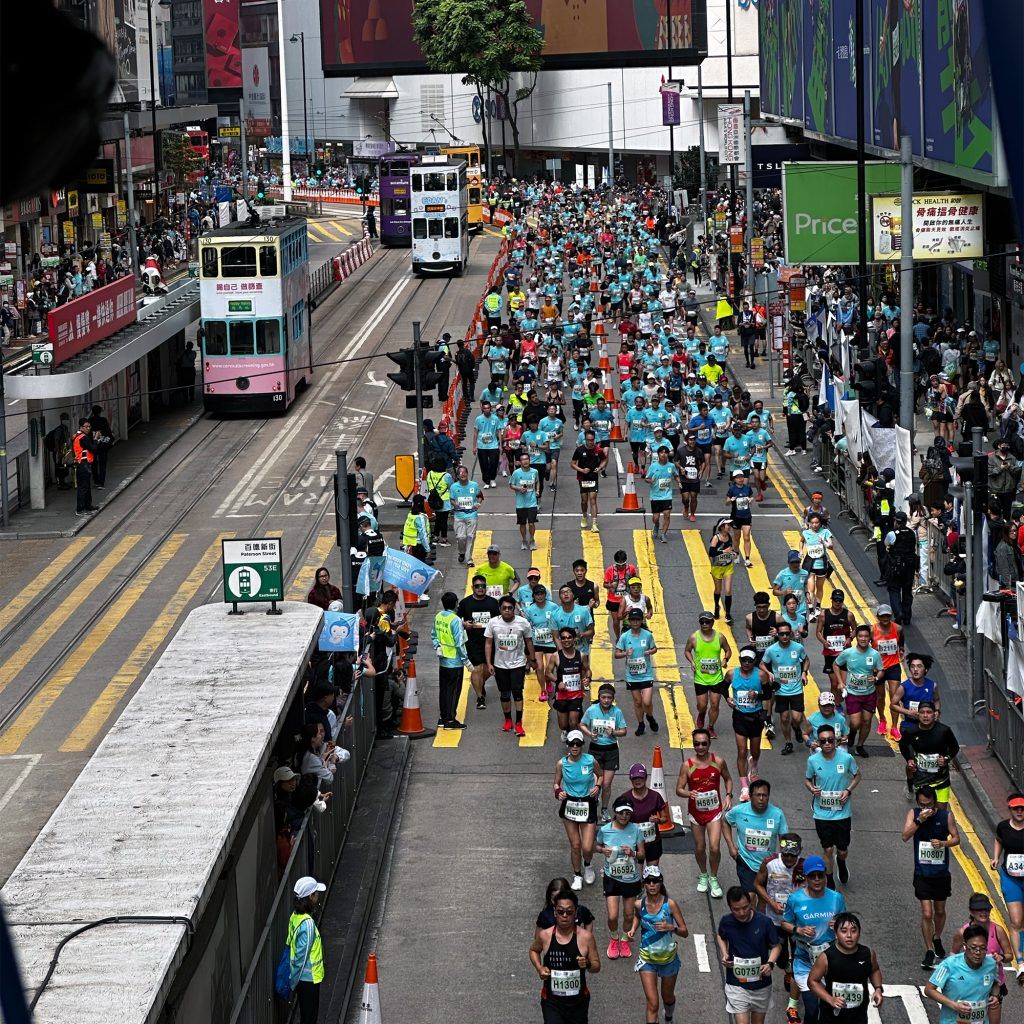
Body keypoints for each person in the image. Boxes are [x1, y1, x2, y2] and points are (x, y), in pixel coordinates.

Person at [780, 855, 847, 1024]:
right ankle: (794, 1006)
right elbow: (784, 923)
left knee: (830, 1007)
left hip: (829, 960)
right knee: (812, 1008)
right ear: (806, 878)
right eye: (812, 876)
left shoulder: (836, 898)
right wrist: (798, 929)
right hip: (805, 959)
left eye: (820, 875)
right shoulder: (795, 899)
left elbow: (846, 923)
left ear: (825, 875)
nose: (817, 880)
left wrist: (839, 924)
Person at [902, 786, 961, 970]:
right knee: (927, 913)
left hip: (941, 873)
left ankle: (937, 937)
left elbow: (956, 838)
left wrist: (943, 843)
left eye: (928, 805)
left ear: (934, 802)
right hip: (922, 873)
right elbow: (905, 836)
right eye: (921, 804)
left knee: (940, 911)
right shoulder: (914, 814)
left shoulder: (945, 816)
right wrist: (919, 820)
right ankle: (929, 950)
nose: (925, 808)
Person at [530, 887, 601, 1024]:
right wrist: (539, 968)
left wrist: (587, 964)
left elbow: (596, 966)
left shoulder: (586, 937)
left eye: (569, 912)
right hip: (552, 1002)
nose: (564, 915)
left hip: (578, 1002)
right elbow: (533, 950)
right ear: (555, 912)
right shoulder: (545, 935)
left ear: (575, 913)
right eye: (560, 911)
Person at [676, 726, 734, 897]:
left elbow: (728, 779)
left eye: (704, 743)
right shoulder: (687, 765)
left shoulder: (719, 762)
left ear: (709, 744)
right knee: (700, 847)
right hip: (696, 813)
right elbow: (679, 789)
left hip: (714, 811)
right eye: (697, 744)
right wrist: (689, 793)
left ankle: (713, 877)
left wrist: (728, 795)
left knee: (714, 847)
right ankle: (703, 875)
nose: (700, 747)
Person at [627, 866, 689, 1024]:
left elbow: (684, 931)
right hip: (647, 959)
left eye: (655, 881)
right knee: (653, 1004)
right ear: (644, 884)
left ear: (661, 882)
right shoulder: (638, 904)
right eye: (648, 881)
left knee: (667, 998)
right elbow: (637, 916)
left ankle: (669, 1017)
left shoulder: (670, 905)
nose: (652, 884)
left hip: (668, 960)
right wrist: (633, 929)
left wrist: (671, 928)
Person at [754, 833, 806, 1021]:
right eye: (786, 855)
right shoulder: (769, 863)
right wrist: (771, 903)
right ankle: (787, 969)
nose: (789, 859)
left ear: (799, 852)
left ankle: (792, 1004)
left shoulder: (805, 866)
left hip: (798, 923)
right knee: (781, 959)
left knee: (800, 960)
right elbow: (757, 884)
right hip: (775, 920)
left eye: (793, 855)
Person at [717, 886, 783, 1024]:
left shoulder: (764, 922)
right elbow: (720, 936)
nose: (741, 913)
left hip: (761, 985)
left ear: (750, 903)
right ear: (730, 907)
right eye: (736, 909)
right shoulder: (726, 922)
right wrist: (724, 953)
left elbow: (776, 946)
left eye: (745, 907)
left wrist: (770, 963)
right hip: (736, 983)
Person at [804, 725, 860, 888]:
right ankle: (829, 880)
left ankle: (841, 862)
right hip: (821, 813)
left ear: (836, 741)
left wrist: (848, 790)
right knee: (827, 849)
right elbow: (807, 779)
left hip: (842, 813)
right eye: (823, 741)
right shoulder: (813, 760)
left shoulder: (846, 758)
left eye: (830, 740)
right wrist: (812, 789)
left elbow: (857, 776)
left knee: (842, 850)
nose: (827, 743)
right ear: (818, 742)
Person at [807, 912, 884, 1022]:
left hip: (859, 1017)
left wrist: (878, 989)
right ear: (836, 934)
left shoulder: (868, 954)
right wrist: (830, 999)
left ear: (859, 933)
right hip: (831, 1018)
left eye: (853, 931)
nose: (849, 935)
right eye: (844, 931)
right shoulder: (826, 957)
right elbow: (812, 981)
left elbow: (874, 970)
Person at [595, 801, 645, 960]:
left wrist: (633, 853)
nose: (624, 816)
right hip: (611, 878)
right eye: (621, 812)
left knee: (629, 915)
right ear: (615, 812)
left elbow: (642, 854)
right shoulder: (605, 830)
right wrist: (603, 850)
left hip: (631, 878)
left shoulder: (636, 830)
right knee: (612, 916)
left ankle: (624, 940)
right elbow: (597, 846)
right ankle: (613, 938)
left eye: (628, 813)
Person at [724, 778, 790, 896]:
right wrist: (731, 846)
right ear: (750, 796)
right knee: (751, 896)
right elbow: (725, 821)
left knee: (764, 899)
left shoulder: (777, 814)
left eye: (764, 795)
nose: (761, 799)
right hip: (746, 862)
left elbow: (784, 838)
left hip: (769, 865)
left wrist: (782, 859)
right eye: (758, 795)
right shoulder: (739, 811)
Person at [924, 923, 1001, 1024]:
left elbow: (995, 982)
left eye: (982, 948)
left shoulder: (991, 964)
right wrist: (954, 1005)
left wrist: (995, 996)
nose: (978, 952)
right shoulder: (949, 965)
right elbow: (929, 990)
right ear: (965, 946)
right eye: (973, 947)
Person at [554, 731, 601, 891]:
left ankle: (588, 865)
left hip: (587, 804)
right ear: (567, 745)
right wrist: (558, 792)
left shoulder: (590, 760)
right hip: (570, 805)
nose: (575, 747)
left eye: (578, 744)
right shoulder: (561, 764)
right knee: (575, 845)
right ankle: (577, 875)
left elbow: (600, 775)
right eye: (572, 744)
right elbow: (556, 783)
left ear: (582, 745)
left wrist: (597, 786)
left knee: (587, 847)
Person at [485, 595, 536, 736]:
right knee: (505, 694)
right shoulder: (493, 623)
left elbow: (529, 641)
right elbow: (488, 643)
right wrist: (489, 663)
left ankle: (518, 723)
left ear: (514, 609)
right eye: (504, 608)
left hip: (518, 664)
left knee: (517, 693)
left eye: (510, 608)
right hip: (500, 665)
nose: (507, 611)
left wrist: (532, 660)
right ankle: (508, 720)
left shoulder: (523, 623)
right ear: (500, 609)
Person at [951, 893, 1017, 1001]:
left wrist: (1001, 957)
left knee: (994, 1011)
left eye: (986, 909)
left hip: (993, 982)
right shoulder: (962, 932)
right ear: (971, 911)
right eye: (979, 910)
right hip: (969, 982)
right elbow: (953, 954)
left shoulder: (998, 930)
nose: (984, 913)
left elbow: (1009, 955)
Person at [835, 625, 886, 758]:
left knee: (867, 721)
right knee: (855, 722)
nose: (863, 639)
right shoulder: (848, 653)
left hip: (869, 693)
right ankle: (852, 733)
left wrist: (876, 678)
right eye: (860, 636)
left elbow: (881, 670)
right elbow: (836, 664)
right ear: (856, 637)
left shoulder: (874, 654)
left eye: (866, 636)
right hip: (853, 693)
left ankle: (860, 746)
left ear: (870, 638)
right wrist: (840, 682)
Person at [724, 650, 768, 801]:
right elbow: (722, 687)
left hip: (756, 717)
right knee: (742, 751)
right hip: (740, 717)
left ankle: (753, 765)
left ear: (754, 661)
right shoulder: (732, 674)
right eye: (744, 660)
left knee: (755, 751)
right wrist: (727, 698)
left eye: (750, 660)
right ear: (739, 659)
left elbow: (768, 694)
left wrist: (757, 695)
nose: (746, 663)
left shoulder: (761, 675)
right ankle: (744, 787)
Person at [580, 684, 628, 821]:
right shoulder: (592, 710)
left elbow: (624, 731)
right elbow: (582, 724)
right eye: (603, 697)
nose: (606, 700)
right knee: (595, 783)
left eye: (609, 698)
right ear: (599, 697)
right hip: (595, 750)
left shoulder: (617, 712)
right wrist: (590, 734)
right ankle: (593, 804)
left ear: (613, 699)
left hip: (611, 751)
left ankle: (605, 809)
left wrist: (614, 732)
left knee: (606, 784)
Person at [761, 623, 810, 756]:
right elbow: (762, 663)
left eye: (787, 633)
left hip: (796, 689)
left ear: (791, 634)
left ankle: (796, 727)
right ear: (777, 634)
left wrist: (804, 672)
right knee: (784, 718)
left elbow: (806, 660)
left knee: (797, 718)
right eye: (781, 634)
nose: (785, 636)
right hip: (780, 689)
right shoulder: (771, 650)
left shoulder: (798, 647)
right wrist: (769, 673)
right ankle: (788, 742)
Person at [898, 702, 960, 806]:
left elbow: (955, 747)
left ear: (934, 714)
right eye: (922, 712)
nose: (925, 715)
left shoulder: (944, 731)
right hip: (921, 778)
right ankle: (910, 785)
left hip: (941, 778)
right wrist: (909, 759)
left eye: (929, 712)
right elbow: (903, 746)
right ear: (918, 714)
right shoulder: (910, 732)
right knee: (925, 809)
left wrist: (946, 759)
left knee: (941, 811)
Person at [990, 791, 1024, 980]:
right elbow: (998, 840)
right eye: (1016, 808)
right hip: (1011, 879)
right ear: (1010, 809)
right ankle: (1021, 963)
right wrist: (995, 857)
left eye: (1022, 808)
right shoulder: (1003, 827)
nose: (1020, 811)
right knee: (1016, 921)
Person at [686, 610, 732, 737]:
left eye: (707, 622)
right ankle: (701, 714)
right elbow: (687, 651)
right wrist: (692, 661)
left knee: (715, 704)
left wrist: (725, 659)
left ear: (712, 622)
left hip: (716, 677)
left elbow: (728, 650)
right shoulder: (694, 637)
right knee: (702, 705)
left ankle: (710, 727)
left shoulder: (720, 637)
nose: (705, 624)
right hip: (700, 678)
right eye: (702, 622)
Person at [614, 607, 659, 736]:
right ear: (629, 621)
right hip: (632, 676)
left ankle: (650, 716)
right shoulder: (624, 636)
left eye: (637, 620)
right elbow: (616, 654)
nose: (635, 622)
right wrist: (625, 653)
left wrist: (650, 651)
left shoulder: (647, 635)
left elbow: (654, 648)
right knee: (638, 702)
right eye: (633, 619)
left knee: (647, 702)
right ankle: (641, 723)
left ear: (641, 620)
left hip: (646, 674)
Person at [432, 591, 472, 730]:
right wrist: (466, 660)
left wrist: (437, 646)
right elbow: (459, 643)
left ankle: (443, 717)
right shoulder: (456, 620)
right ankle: (450, 720)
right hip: (455, 662)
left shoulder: (438, 616)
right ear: (456, 604)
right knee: (454, 691)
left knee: (444, 690)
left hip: (443, 660)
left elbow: (434, 635)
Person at [459, 575, 500, 710]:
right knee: (476, 669)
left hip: (490, 642)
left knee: (488, 670)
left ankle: (480, 684)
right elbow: (456, 620)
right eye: (477, 586)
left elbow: (499, 620)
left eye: (483, 586)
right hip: (473, 642)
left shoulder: (493, 603)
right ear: (472, 587)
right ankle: (480, 697)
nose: (480, 588)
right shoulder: (465, 603)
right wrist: (464, 624)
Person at [288, 876, 326, 1022]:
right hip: (309, 979)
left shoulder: (295, 916)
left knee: (306, 1016)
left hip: (302, 979)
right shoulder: (308, 924)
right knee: (309, 1018)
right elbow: (301, 956)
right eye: (316, 893)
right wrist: (293, 982)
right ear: (310, 896)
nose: (318, 896)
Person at [617, 762, 667, 868]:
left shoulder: (655, 796)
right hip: (633, 843)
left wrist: (658, 820)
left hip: (652, 842)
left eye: (640, 777)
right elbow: (617, 821)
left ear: (645, 778)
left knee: (652, 873)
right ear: (630, 779)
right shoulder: (625, 798)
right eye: (634, 778)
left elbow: (665, 818)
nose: (637, 781)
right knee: (636, 875)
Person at [548, 625, 590, 737]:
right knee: (563, 725)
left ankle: (573, 741)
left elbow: (587, 670)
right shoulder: (555, 656)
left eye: (569, 637)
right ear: (560, 640)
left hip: (576, 694)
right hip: (562, 695)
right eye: (563, 638)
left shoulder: (581, 655)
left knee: (573, 722)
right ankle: (566, 730)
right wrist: (558, 682)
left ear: (574, 639)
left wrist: (588, 679)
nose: (566, 640)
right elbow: (548, 673)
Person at [816, 590, 855, 700]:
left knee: (843, 682)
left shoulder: (849, 615)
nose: (837, 602)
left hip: (844, 653)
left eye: (840, 600)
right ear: (831, 600)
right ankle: (836, 704)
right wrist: (824, 642)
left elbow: (855, 629)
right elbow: (818, 632)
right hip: (830, 653)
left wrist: (850, 638)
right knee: (834, 683)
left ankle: (839, 701)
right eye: (835, 600)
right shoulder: (823, 615)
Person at [571, 430, 607, 532]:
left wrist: (600, 468)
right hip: (582, 478)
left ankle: (594, 524)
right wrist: (582, 470)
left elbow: (604, 459)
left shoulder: (598, 450)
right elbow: (572, 464)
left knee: (593, 499)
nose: (590, 442)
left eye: (591, 440)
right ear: (585, 439)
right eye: (588, 440)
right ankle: (584, 516)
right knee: (584, 501)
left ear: (594, 439)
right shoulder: (579, 450)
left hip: (593, 478)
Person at [449, 464, 484, 565]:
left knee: (470, 536)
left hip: (472, 515)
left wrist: (478, 504)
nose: (462, 474)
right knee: (461, 537)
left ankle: (469, 559)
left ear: (467, 474)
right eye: (460, 473)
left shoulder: (474, 485)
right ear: (457, 476)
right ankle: (462, 552)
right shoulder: (454, 487)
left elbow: (480, 496)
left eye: (464, 472)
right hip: (459, 516)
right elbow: (451, 499)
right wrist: (455, 504)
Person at [645, 446, 678, 543]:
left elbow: (675, 475)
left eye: (666, 453)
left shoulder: (671, 466)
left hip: (667, 495)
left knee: (667, 515)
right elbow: (646, 478)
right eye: (662, 452)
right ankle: (656, 525)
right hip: (655, 496)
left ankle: (663, 534)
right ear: (658, 454)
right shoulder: (653, 466)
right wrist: (651, 481)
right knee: (656, 518)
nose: (664, 454)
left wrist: (679, 482)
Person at [708, 519, 737, 624]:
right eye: (727, 525)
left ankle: (728, 614)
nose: (729, 527)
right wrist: (724, 551)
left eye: (729, 525)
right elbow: (711, 553)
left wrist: (733, 553)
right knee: (718, 590)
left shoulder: (729, 536)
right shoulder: (716, 538)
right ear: (721, 527)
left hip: (728, 566)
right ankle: (717, 606)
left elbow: (731, 549)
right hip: (717, 567)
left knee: (728, 591)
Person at [511, 450, 541, 550]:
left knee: (531, 523)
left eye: (527, 459)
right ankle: (524, 540)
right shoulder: (516, 473)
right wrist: (519, 488)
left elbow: (537, 482)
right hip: (521, 504)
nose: (525, 461)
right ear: (520, 462)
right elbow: (511, 485)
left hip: (532, 503)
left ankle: (532, 539)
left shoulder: (534, 471)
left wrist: (537, 490)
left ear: (529, 460)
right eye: (523, 460)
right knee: (522, 523)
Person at [72, 417, 98, 516]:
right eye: (86, 426)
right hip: (84, 465)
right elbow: (94, 449)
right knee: (83, 487)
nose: (88, 428)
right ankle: (80, 509)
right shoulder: (83, 438)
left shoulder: (76, 436)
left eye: (89, 426)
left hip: (82, 464)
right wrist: (95, 439)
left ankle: (88, 506)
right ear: (81, 427)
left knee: (86, 486)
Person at [426, 458, 455, 548]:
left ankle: (435, 536)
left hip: (433, 500)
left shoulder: (430, 474)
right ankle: (444, 538)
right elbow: (451, 486)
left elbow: (428, 484)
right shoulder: (446, 476)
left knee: (438, 519)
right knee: (444, 520)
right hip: (444, 501)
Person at [401, 493, 432, 564]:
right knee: (420, 566)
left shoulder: (410, 514)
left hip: (410, 544)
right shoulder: (421, 517)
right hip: (419, 546)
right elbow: (423, 534)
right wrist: (427, 549)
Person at [89, 405, 113, 487]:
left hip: (93, 445)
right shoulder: (103, 420)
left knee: (94, 464)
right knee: (102, 464)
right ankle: (101, 482)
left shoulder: (90, 421)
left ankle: (96, 481)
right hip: (102, 445)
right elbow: (108, 432)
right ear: (100, 412)